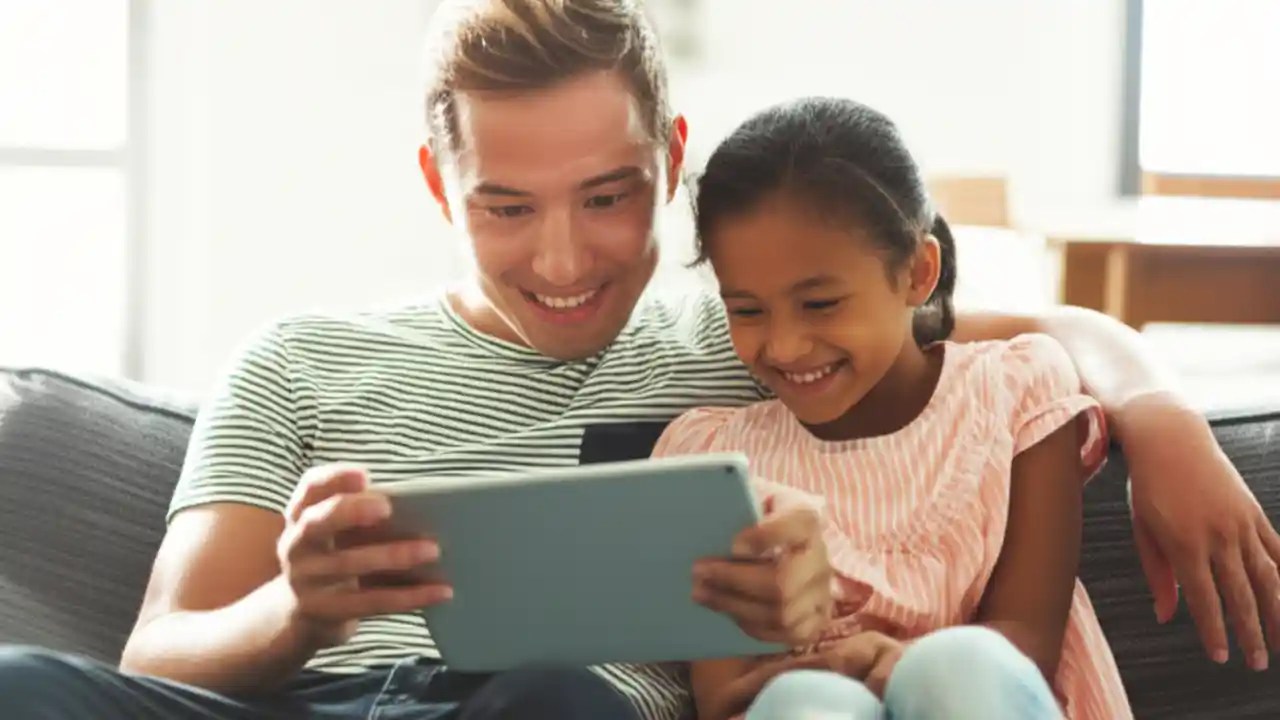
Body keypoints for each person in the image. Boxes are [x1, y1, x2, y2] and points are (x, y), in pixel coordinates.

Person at [0, 1, 1275, 718]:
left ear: (670, 160)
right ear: (438, 180)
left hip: (538, 716)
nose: (564, 258)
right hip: (295, 711)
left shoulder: (750, 346)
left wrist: (1159, 417)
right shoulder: (299, 361)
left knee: (551, 697)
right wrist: (295, 608)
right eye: (506, 206)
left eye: (608, 198)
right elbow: (154, 664)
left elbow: (1016, 343)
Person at [656, 96, 1130, 720]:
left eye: (820, 304)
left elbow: (1028, 644)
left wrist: (882, 661)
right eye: (747, 310)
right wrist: (839, 670)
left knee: (958, 666)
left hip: (987, 697)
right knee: (805, 701)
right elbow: (723, 700)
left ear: (918, 271)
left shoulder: (1015, 391)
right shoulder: (717, 461)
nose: (784, 345)